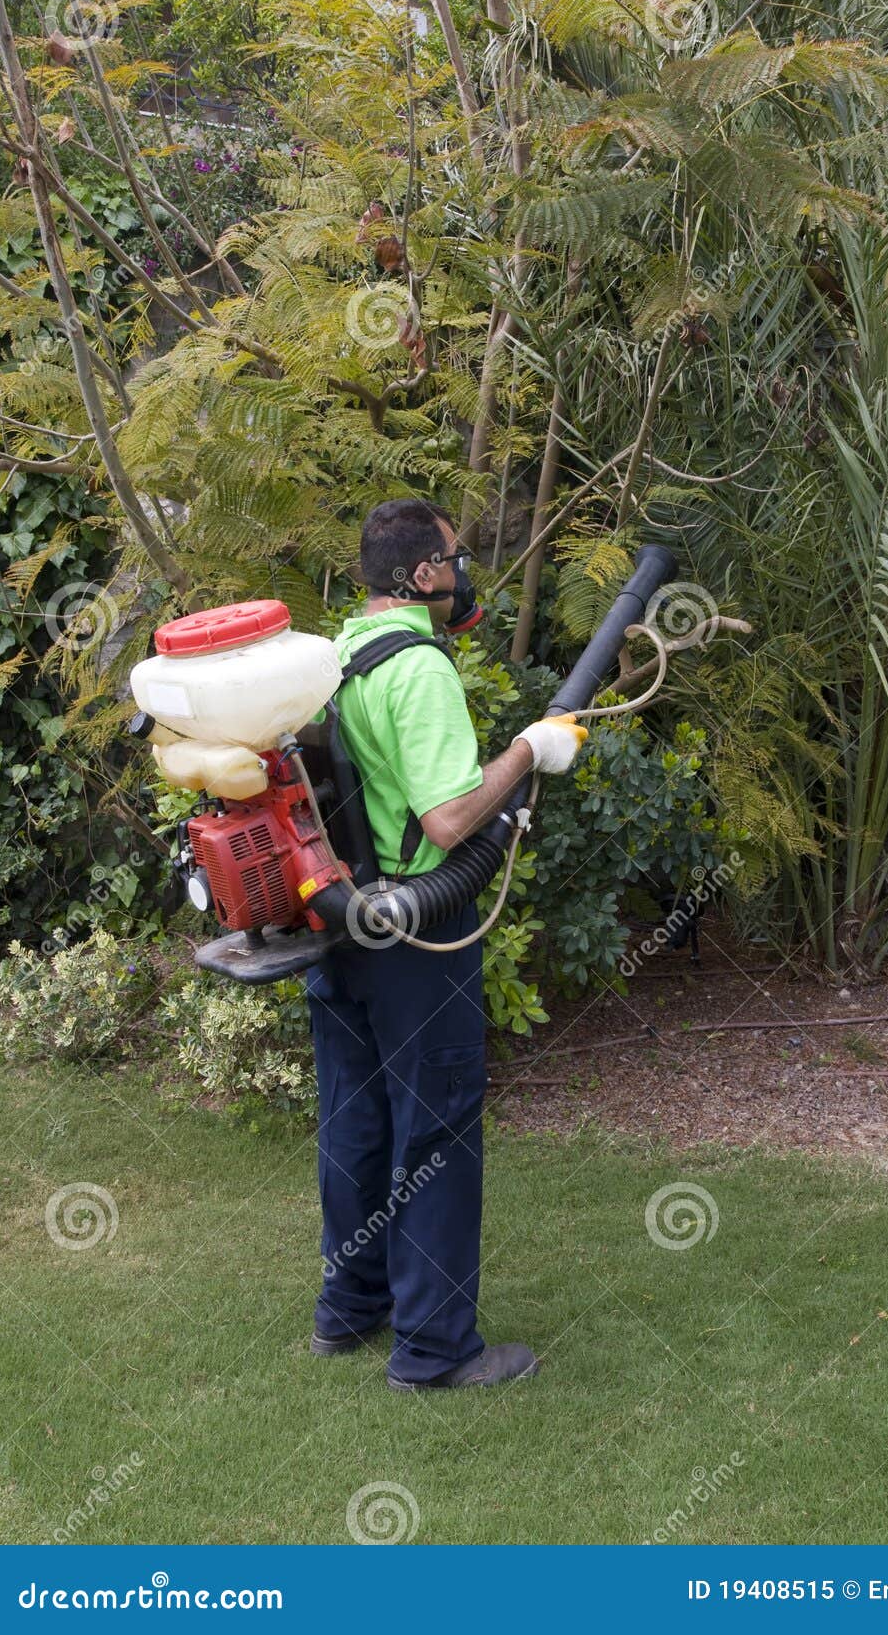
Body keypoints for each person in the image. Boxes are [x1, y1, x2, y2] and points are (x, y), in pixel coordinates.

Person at [306, 497, 587, 1390]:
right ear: (423, 575)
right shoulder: (417, 666)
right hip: (417, 934)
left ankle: (347, 1312)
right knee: (434, 1131)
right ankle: (432, 1350)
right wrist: (529, 751)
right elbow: (450, 815)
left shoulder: (338, 652)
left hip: (342, 919)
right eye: (454, 560)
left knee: (355, 1119)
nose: (463, 574)